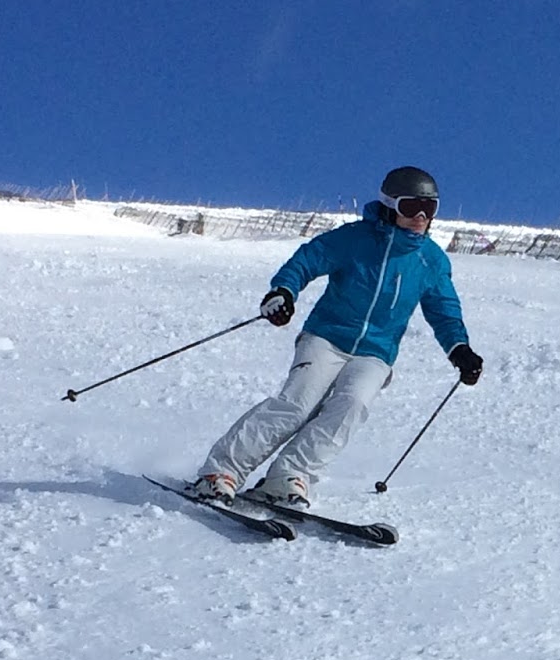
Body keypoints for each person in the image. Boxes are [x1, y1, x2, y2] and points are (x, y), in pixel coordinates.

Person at [188, 166, 483, 508]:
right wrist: (283, 292)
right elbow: (308, 260)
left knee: (351, 405)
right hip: (326, 337)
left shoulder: (431, 260)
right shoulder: (355, 239)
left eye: (429, 209)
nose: (420, 217)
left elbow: (444, 308)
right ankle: (220, 472)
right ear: (389, 205)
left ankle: (288, 476)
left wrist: (459, 348)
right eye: (410, 207)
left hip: (376, 352)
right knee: (297, 405)